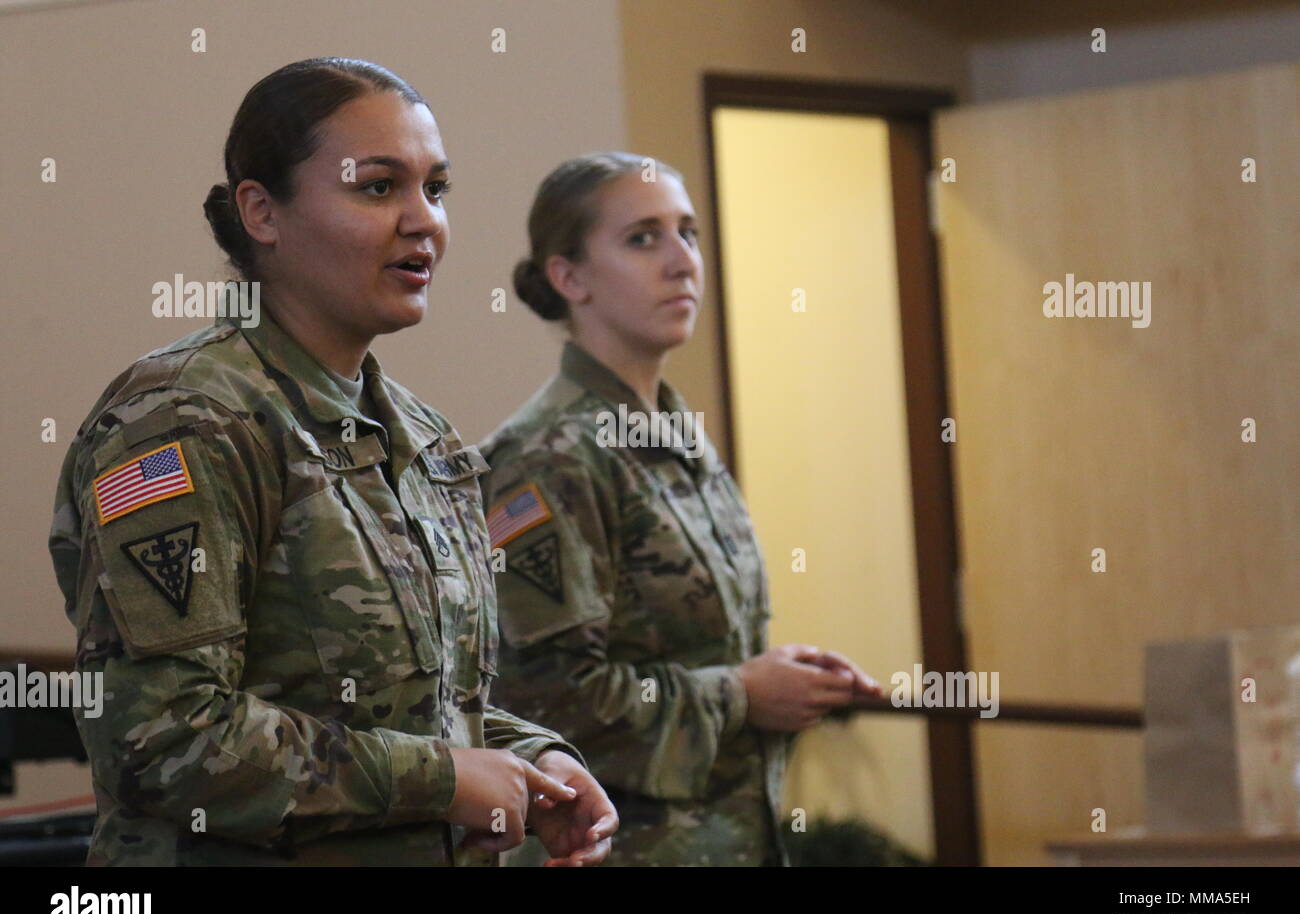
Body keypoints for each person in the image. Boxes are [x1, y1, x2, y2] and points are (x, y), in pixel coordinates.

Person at [47, 58, 616, 866]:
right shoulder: (185, 418)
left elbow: (428, 709)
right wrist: (441, 779)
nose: (424, 221)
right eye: (379, 187)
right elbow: (163, 737)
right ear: (262, 212)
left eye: (437, 188)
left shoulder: (425, 437)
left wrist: (532, 758)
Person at [481, 152, 882, 866]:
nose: (682, 262)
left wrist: (789, 678)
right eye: (643, 238)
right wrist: (741, 696)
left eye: (688, 233)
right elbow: (541, 704)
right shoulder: (547, 455)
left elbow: (698, 648)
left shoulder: (672, 434)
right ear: (568, 277)